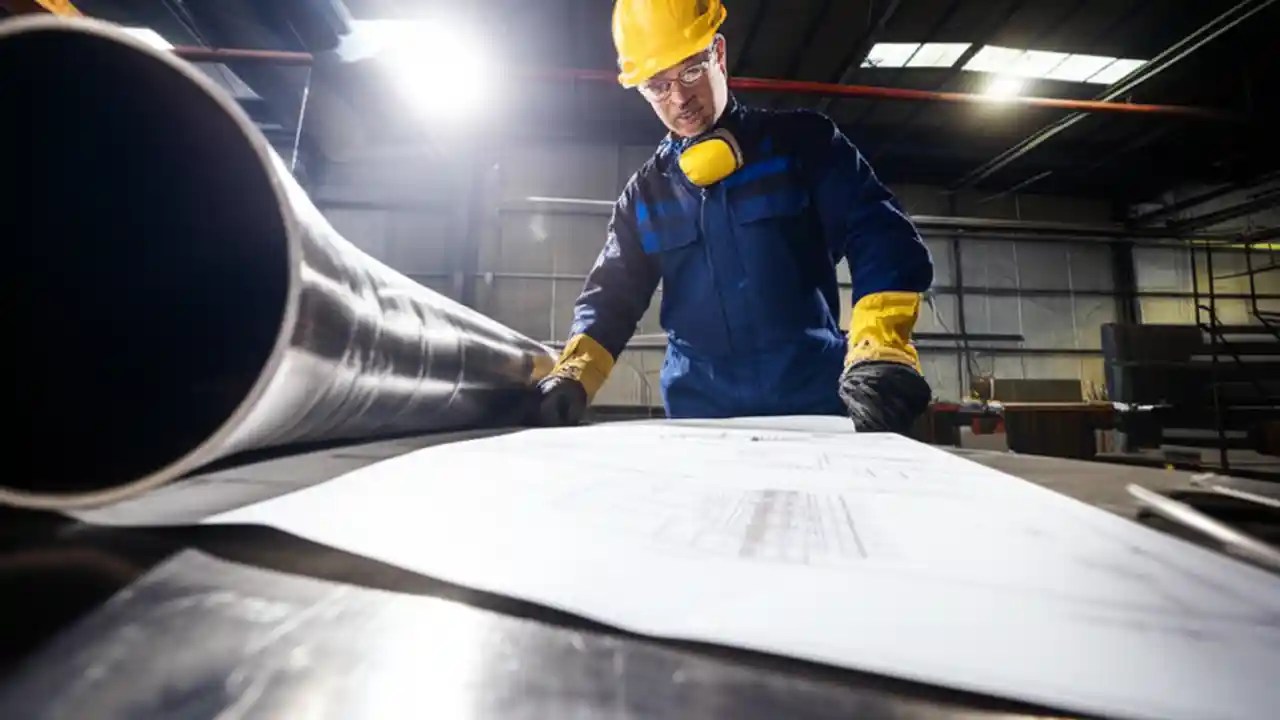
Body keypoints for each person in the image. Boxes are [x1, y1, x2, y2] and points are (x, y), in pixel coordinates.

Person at [532, 0, 933, 433]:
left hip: (815, 405)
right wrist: (574, 373)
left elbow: (878, 231)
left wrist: (881, 346)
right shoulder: (645, 196)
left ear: (718, 53)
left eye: (690, 70)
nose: (680, 97)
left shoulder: (803, 145)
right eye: (657, 85)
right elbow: (610, 297)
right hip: (699, 417)